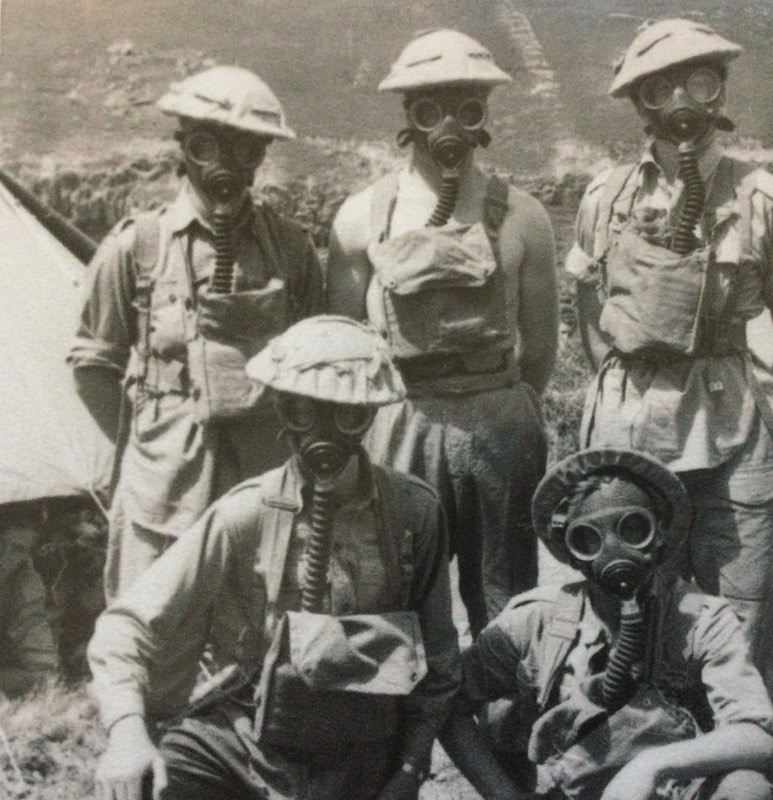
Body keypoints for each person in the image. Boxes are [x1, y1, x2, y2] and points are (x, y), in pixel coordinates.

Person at [566, 18, 773, 769]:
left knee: (744, 639)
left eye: (701, 80)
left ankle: (751, 785)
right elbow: (590, 320)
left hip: (735, 434)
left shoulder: (767, 199)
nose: (683, 99)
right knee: (630, 627)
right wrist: (626, 389)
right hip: (628, 436)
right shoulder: (602, 197)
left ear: (722, 91)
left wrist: (756, 422)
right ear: (639, 101)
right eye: (662, 85)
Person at [88, 315, 461, 800]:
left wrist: (410, 769)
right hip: (244, 743)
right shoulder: (246, 513)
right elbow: (125, 626)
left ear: (369, 413)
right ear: (281, 412)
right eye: (302, 412)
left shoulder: (412, 514)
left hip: (355, 754)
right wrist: (126, 735)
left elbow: (440, 664)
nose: (322, 433)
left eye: (345, 413)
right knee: (144, 785)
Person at [327, 29, 559, 637]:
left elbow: (542, 344)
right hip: (402, 420)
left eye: (467, 106)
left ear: (485, 114)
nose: (448, 125)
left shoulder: (524, 217)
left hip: (499, 423)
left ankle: (505, 727)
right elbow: (345, 348)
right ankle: (400, 729)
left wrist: (500, 404)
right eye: (430, 108)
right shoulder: (359, 218)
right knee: (393, 592)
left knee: (506, 598)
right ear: (408, 115)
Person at [68, 65, 324, 601]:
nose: (228, 164)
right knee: (146, 644)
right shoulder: (136, 247)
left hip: (259, 488)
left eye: (247, 148)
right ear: (184, 147)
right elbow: (93, 363)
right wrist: (142, 448)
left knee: (254, 651)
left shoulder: (289, 249)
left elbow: (318, 362)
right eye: (210, 144)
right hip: (160, 495)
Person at [440, 447, 773, 800]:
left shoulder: (700, 620)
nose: (615, 549)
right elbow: (448, 702)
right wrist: (505, 795)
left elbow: (757, 735)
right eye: (589, 537)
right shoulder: (536, 620)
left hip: (672, 789)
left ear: (660, 533)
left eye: (634, 528)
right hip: (576, 792)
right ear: (570, 550)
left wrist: (650, 767)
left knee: (746, 790)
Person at [0, 504, 59, 698]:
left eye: (18, 549)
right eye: (2, 545)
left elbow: (41, 663)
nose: (7, 556)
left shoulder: (22, 575)